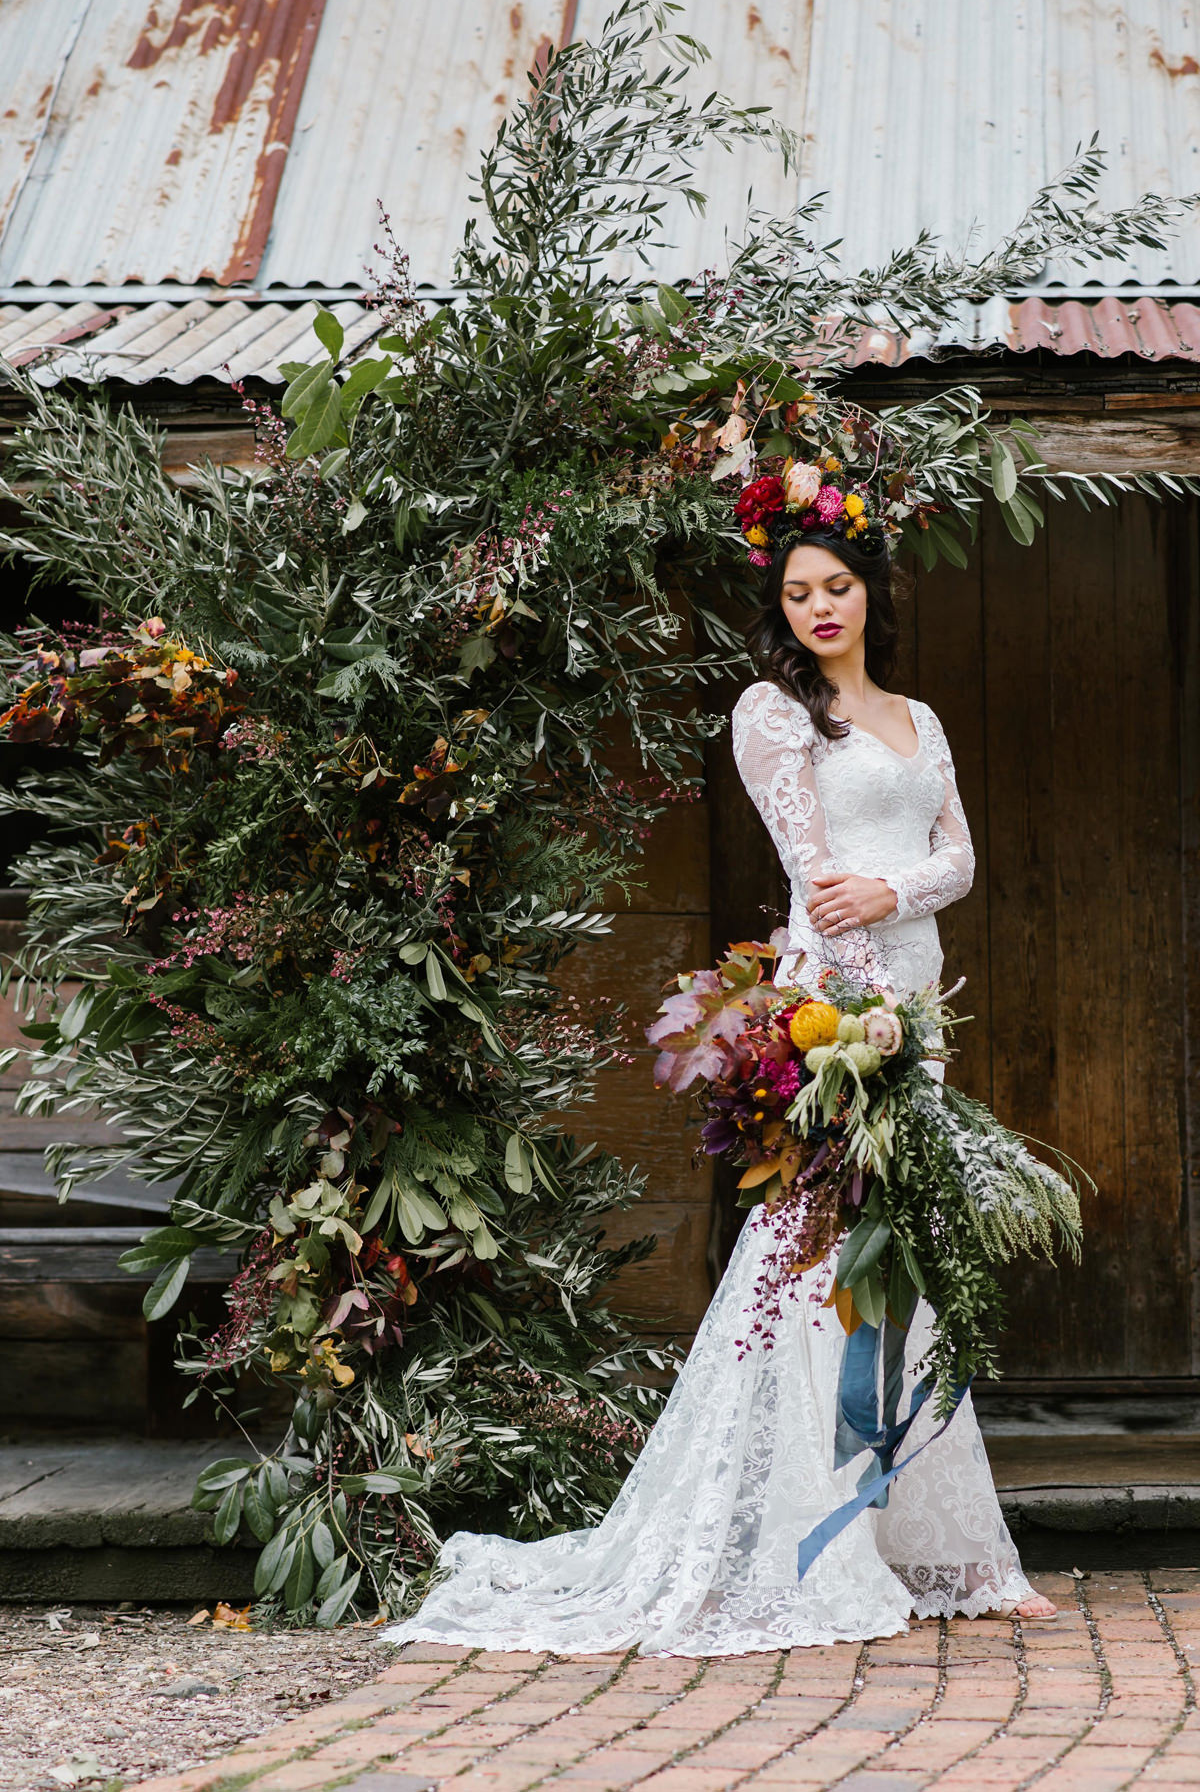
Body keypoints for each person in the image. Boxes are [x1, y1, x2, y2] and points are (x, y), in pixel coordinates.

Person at [384, 508, 1055, 1657]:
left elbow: (960, 859)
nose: (820, 608)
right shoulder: (775, 713)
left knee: (912, 1269)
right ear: (783, 611)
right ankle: (804, 1534)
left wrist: (899, 913)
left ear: (871, 595)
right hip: (832, 1017)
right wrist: (861, 1021)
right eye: (799, 594)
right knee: (808, 1264)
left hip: (913, 1013)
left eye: (837, 585)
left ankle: (950, 1549)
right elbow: (813, 879)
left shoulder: (919, 717)